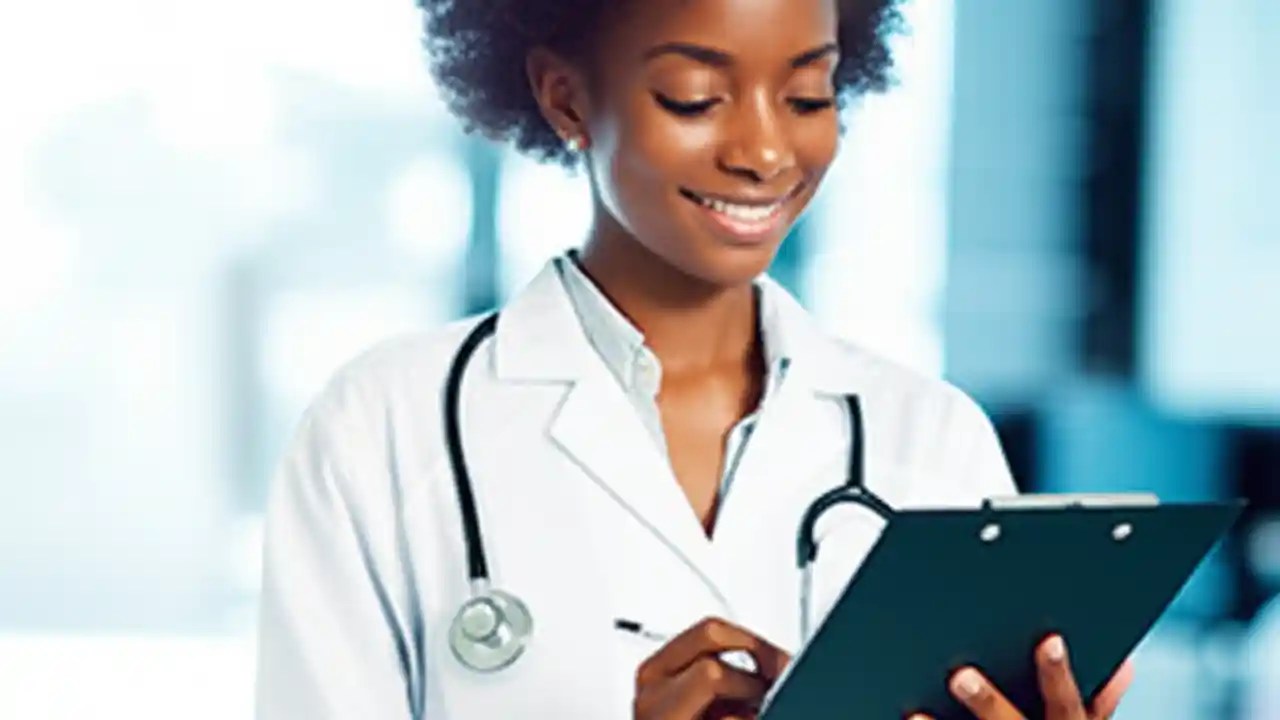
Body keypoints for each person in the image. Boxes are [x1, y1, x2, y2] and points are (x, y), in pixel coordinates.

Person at [254, 0, 1134, 718]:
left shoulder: (932, 436)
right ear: (564, 98)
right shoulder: (383, 427)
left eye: (807, 98)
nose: (762, 153)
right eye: (693, 96)